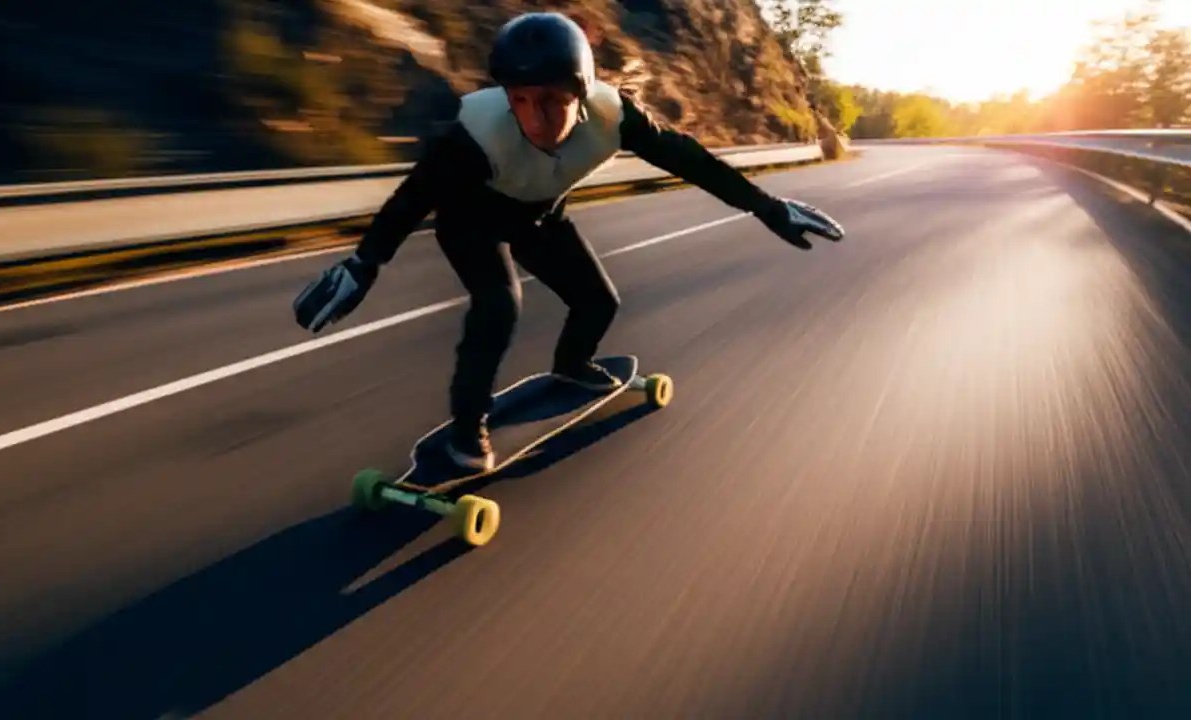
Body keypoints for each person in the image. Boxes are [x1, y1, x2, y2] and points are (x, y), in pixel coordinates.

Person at [293, 12, 843, 471]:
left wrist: (769, 209)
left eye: (551, 100)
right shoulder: (476, 134)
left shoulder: (615, 116)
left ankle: (572, 366)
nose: (534, 119)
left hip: (539, 217)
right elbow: (413, 198)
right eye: (520, 100)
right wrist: (364, 264)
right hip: (470, 222)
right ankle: (467, 430)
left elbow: (691, 160)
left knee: (599, 303)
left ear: (581, 91)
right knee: (498, 306)